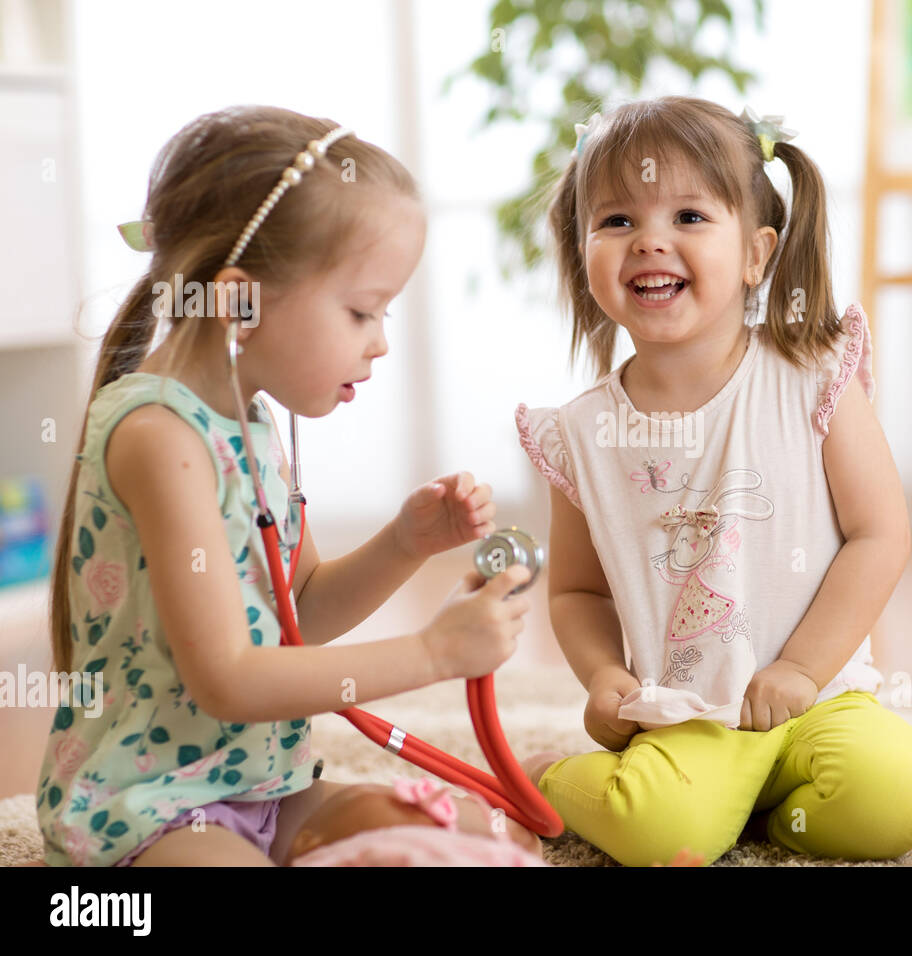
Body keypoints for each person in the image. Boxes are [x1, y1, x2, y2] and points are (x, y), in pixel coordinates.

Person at [37, 105, 539, 866]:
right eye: (362, 310)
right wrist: (435, 653)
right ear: (241, 301)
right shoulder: (158, 438)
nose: (381, 342)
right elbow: (230, 679)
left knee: (479, 832)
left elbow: (297, 611)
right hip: (154, 807)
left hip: (266, 785)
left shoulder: (253, 422)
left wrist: (404, 545)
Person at [515, 96, 912, 866]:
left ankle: (762, 816)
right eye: (616, 221)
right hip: (688, 714)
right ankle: (550, 781)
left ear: (755, 252)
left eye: (688, 216)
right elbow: (577, 592)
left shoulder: (812, 375)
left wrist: (802, 668)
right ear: (584, 253)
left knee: (890, 799)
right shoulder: (580, 433)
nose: (649, 241)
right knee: (660, 835)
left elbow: (881, 534)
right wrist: (605, 676)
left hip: (821, 702)